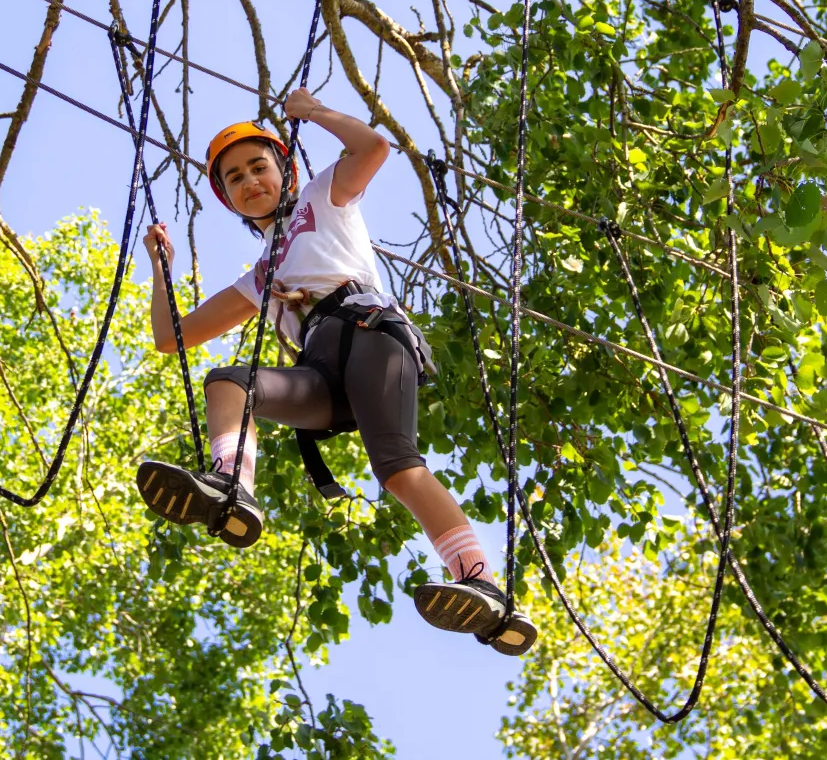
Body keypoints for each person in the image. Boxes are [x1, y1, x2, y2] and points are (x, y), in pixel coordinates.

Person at [135, 88, 537, 656]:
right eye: (235, 179)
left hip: (369, 333)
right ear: (228, 199)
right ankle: (232, 487)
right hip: (322, 371)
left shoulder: (321, 199)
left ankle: (480, 581)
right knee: (230, 381)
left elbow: (373, 148)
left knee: (397, 468)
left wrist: (316, 114)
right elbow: (170, 338)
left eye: (259, 167)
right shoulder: (259, 276)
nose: (250, 181)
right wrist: (161, 269)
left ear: (285, 171)